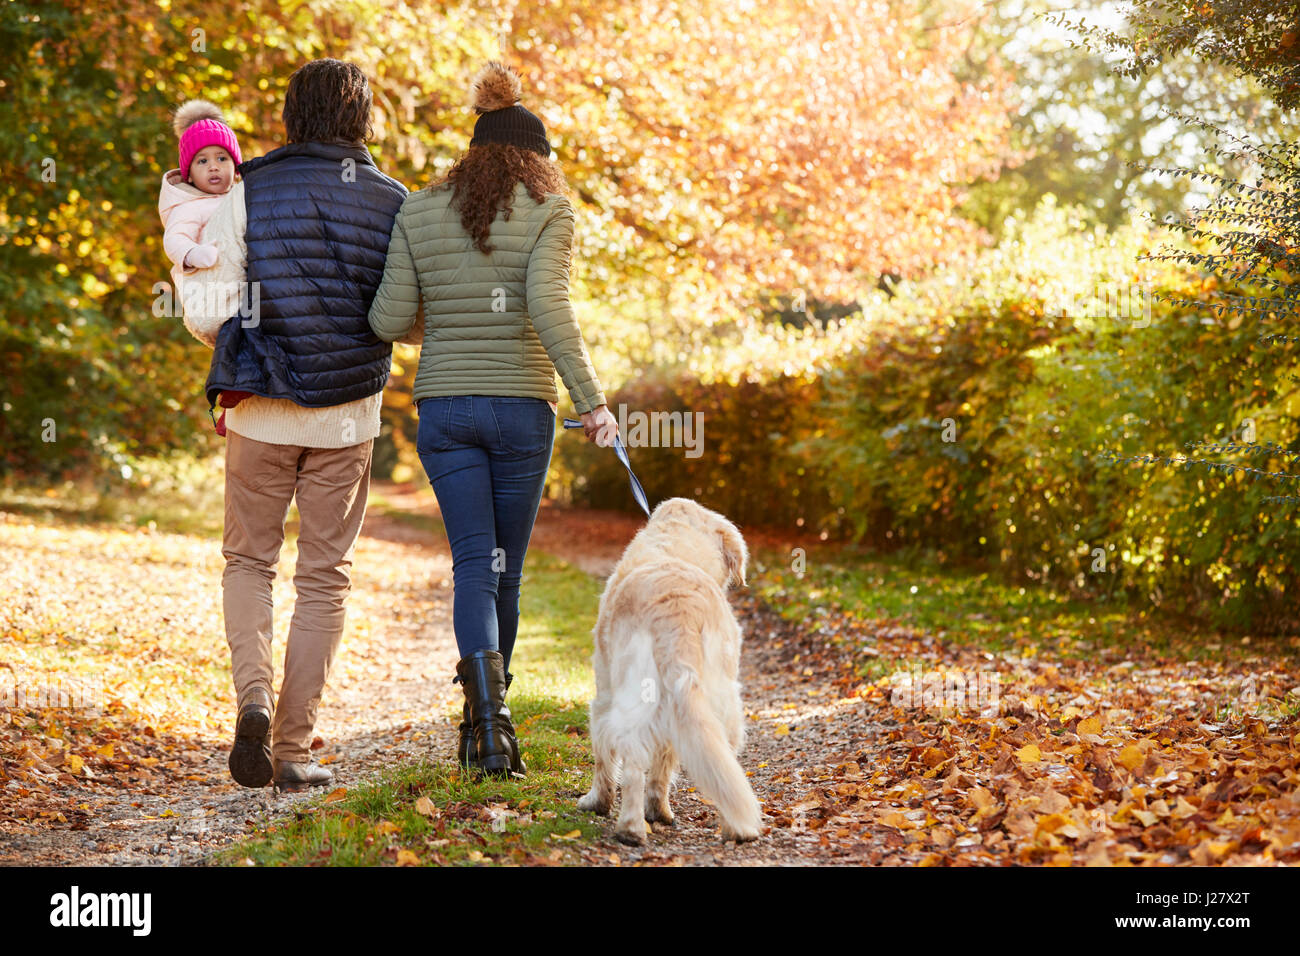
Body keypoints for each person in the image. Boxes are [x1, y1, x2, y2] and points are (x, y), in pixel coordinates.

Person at [368, 61, 618, 778]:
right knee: (506, 573)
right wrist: (593, 402)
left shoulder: (417, 210)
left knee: (472, 565)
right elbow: (549, 306)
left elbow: (387, 318)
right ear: (535, 160)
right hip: (520, 412)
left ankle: (483, 724)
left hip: (445, 409)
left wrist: (445, 320)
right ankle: (496, 728)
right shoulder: (552, 212)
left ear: (472, 151)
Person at [184, 59, 412, 792]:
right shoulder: (392, 201)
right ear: (363, 117)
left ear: (291, 113)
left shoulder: (247, 188)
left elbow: (208, 312)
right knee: (324, 578)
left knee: (249, 563)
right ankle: (291, 747)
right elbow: (403, 321)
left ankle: (250, 698)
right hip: (347, 418)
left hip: (259, 408)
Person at [156, 99, 250, 435]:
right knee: (231, 339)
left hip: (240, 284)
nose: (214, 167)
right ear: (189, 172)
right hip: (211, 289)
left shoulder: (240, 197)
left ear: (235, 166)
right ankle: (226, 396)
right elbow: (174, 242)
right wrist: (194, 254)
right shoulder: (189, 207)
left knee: (252, 338)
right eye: (203, 161)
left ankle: (237, 402)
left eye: (222, 159)